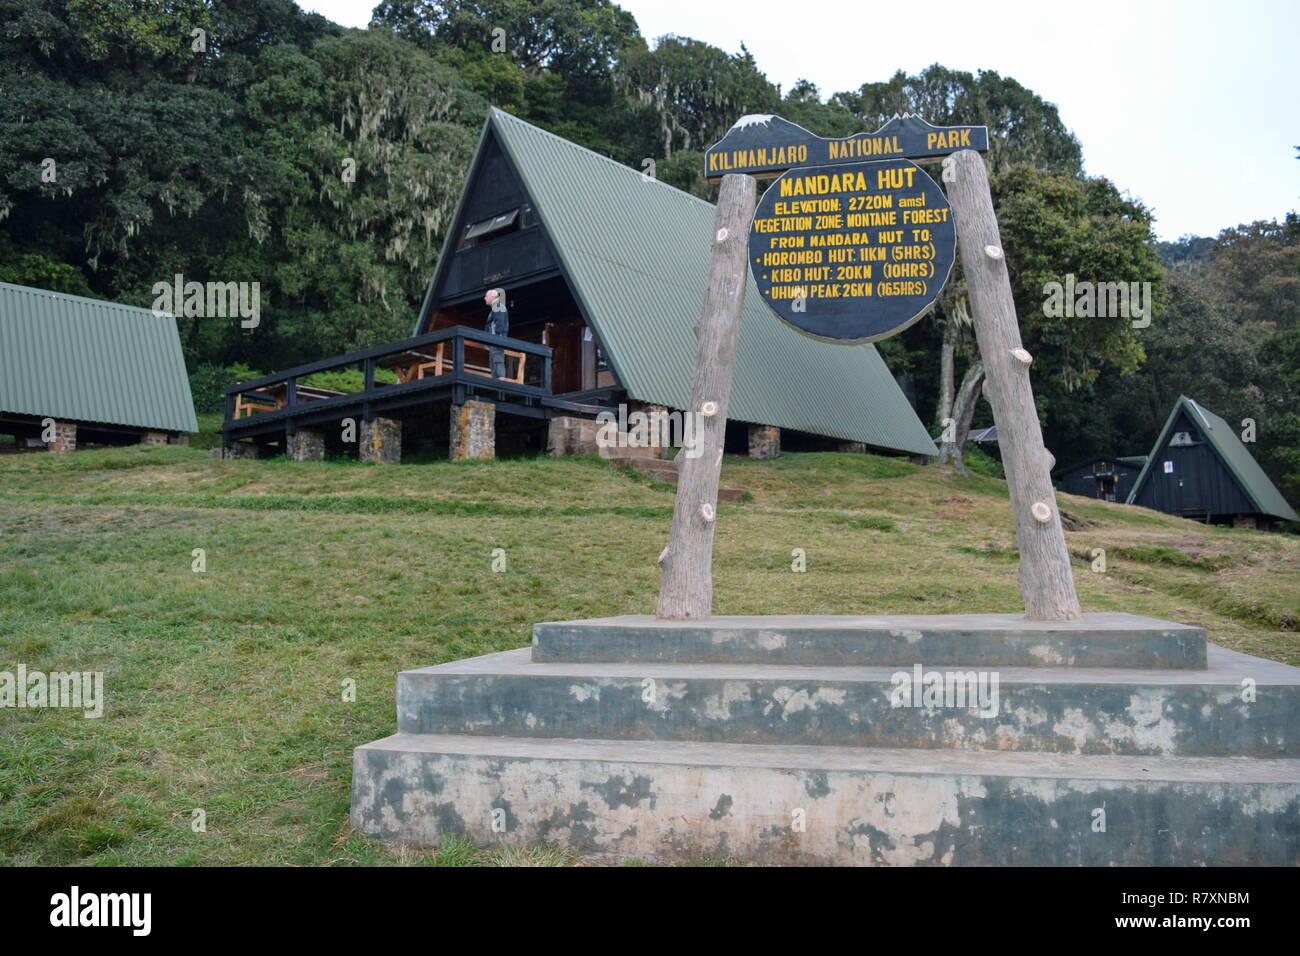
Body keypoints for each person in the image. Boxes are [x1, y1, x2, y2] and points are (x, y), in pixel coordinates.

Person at [484, 287, 509, 379]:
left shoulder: (498, 306)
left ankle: (500, 383)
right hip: (494, 341)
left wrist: (496, 339)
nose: (485, 298)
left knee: (498, 361)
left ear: (492, 296)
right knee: (494, 362)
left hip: (497, 341)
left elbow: (500, 325)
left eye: (486, 296)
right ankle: (496, 383)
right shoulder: (496, 307)